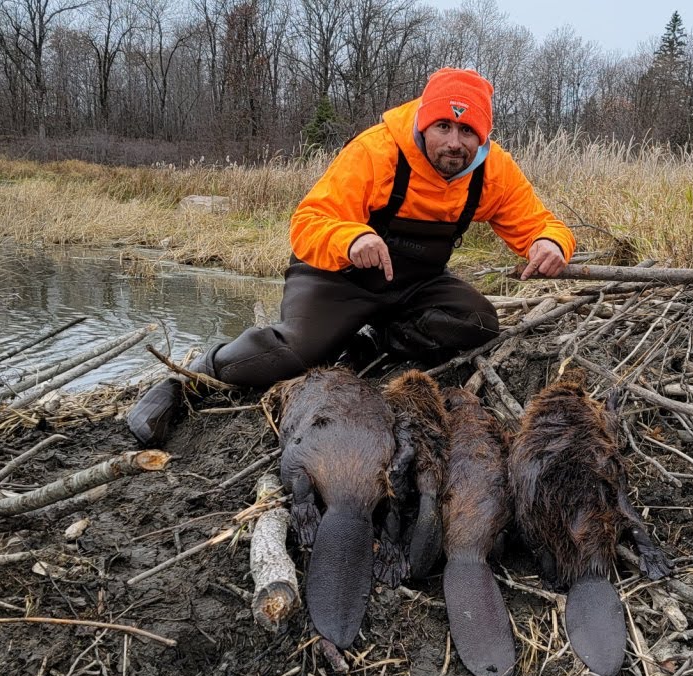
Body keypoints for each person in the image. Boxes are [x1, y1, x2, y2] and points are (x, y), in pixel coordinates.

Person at [127, 67, 575, 446]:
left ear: (482, 135)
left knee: (477, 322)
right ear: (424, 122)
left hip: (413, 286)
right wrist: (351, 237)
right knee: (294, 354)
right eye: (444, 127)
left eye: (467, 131)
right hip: (336, 278)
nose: (454, 143)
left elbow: (542, 224)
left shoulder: (492, 170)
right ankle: (190, 376)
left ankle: (373, 341)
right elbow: (308, 221)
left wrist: (550, 244)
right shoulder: (376, 150)